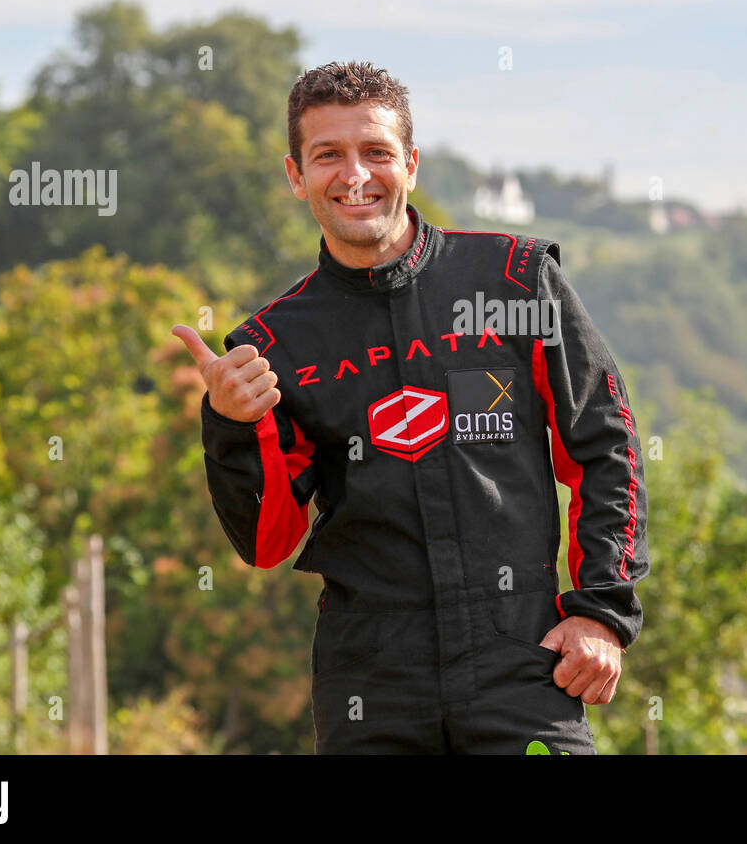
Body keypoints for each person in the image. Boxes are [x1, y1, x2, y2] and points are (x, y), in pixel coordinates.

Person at [173, 60, 649, 754]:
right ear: (295, 175)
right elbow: (267, 540)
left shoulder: (515, 282)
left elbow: (605, 448)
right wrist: (231, 425)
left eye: (376, 152)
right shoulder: (272, 345)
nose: (354, 175)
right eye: (327, 155)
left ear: (412, 164)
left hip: (524, 659)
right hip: (371, 678)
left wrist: (602, 614)